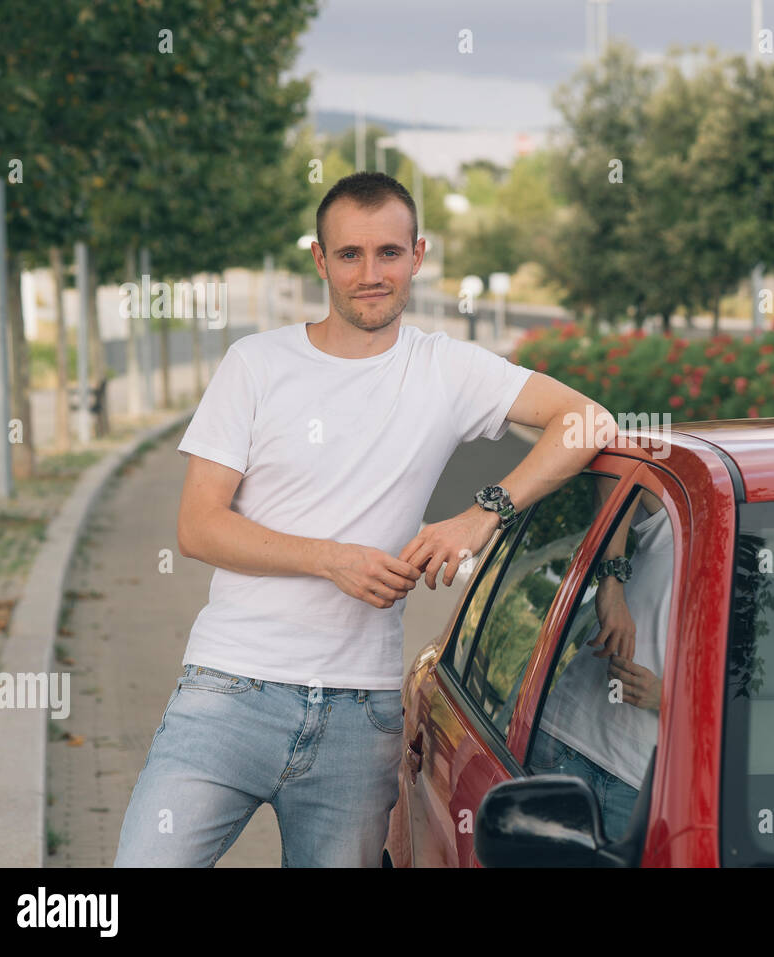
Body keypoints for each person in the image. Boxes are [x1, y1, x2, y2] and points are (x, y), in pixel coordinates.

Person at [114, 172, 615, 867]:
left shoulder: (446, 369)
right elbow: (198, 526)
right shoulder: (255, 365)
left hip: (362, 715)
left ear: (418, 255)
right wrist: (331, 558)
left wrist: (482, 513)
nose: (371, 273)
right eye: (350, 254)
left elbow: (587, 420)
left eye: (389, 252)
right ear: (321, 260)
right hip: (229, 690)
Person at [529, 483, 673, 840]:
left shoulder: (763, 605)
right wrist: (611, 579)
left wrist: (669, 698)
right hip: (563, 740)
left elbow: (752, 718)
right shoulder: (683, 527)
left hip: (641, 791)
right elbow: (626, 461)